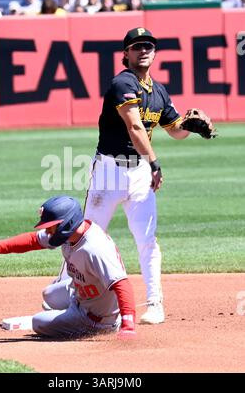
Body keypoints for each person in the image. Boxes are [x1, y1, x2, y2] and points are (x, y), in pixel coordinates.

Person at [58, 27, 215, 325]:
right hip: (109, 172)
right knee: (84, 238)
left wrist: (193, 128)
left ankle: (155, 303)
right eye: (137, 46)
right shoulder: (122, 83)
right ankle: (65, 296)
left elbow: (174, 129)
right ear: (125, 54)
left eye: (148, 46)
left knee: (147, 240)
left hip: (140, 174)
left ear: (154, 52)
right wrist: (155, 163)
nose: (143, 50)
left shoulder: (159, 91)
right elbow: (134, 127)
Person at [0, 196, 136, 339]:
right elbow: (33, 240)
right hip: (83, 292)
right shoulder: (71, 233)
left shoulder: (95, 248)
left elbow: (122, 284)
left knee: (38, 322)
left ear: (66, 223)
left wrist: (128, 326)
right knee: (49, 294)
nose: (47, 231)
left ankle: (106, 326)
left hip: (96, 318)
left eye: (50, 227)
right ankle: (69, 314)